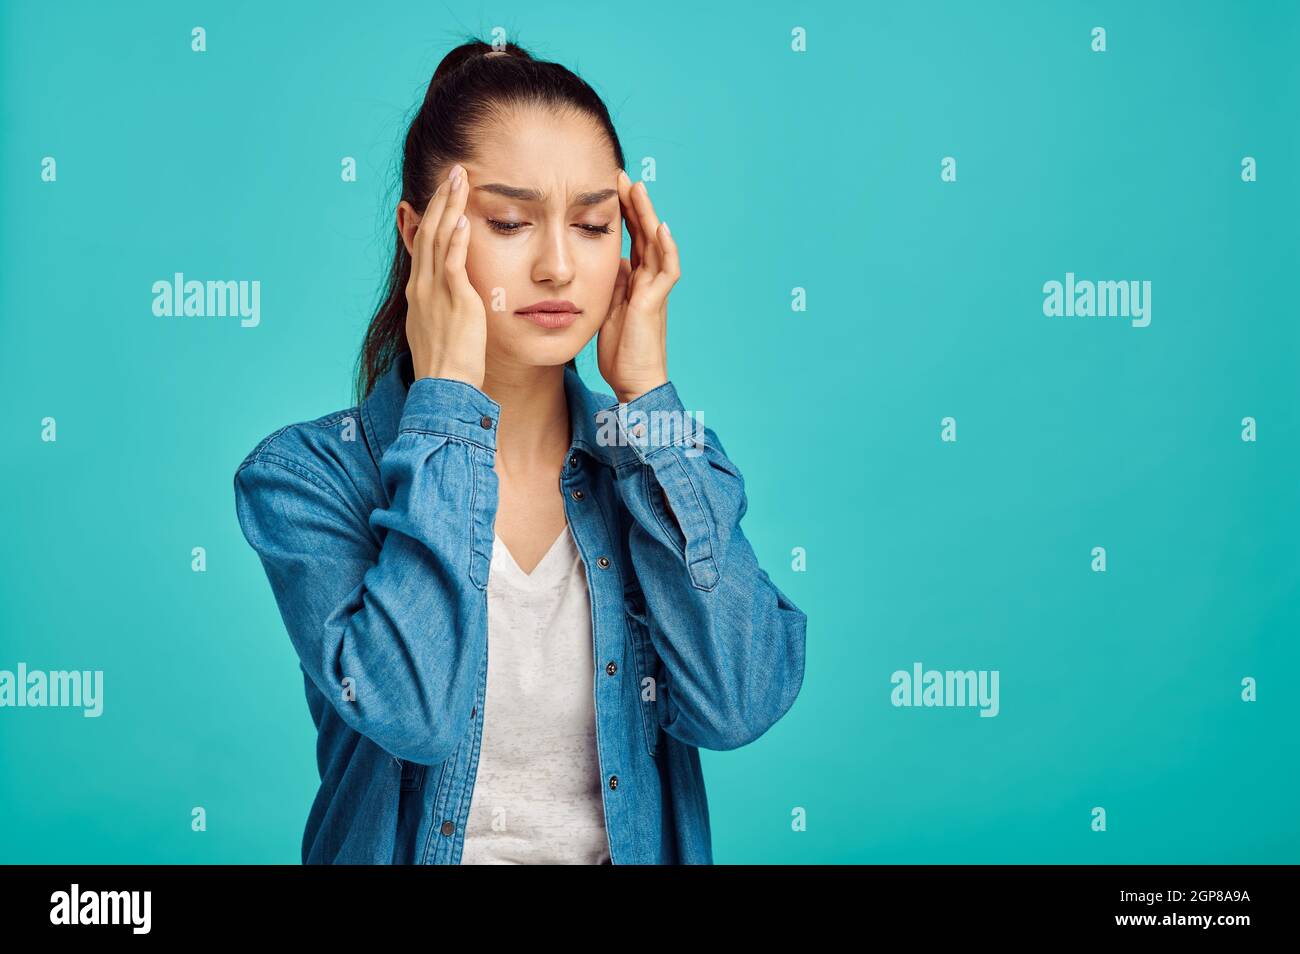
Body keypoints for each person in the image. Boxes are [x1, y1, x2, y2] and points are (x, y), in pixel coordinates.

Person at [232, 37, 807, 864]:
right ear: (417, 233)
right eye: (508, 221)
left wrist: (647, 401)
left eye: (592, 223)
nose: (557, 265)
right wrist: (450, 407)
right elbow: (413, 710)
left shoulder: (654, 463)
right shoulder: (305, 479)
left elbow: (740, 703)